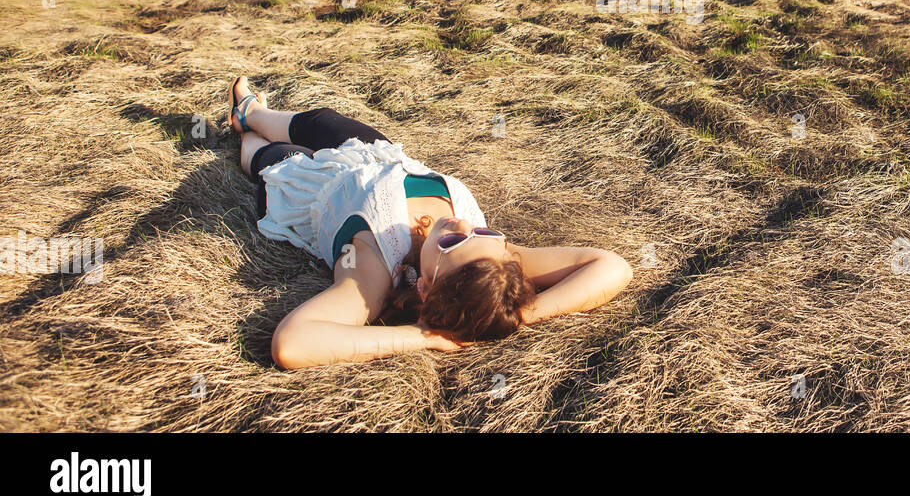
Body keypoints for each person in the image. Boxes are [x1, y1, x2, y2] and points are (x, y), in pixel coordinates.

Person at [227, 76, 633, 369]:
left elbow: (292, 345)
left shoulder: (372, 269)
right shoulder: (494, 262)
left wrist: (423, 337)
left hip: (308, 184)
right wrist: (521, 313)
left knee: (263, 153)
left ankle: (244, 130)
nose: (462, 225)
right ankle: (251, 111)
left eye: (453, 242)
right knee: (319, 119)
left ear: (423, 284)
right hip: (375, 155)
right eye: (483, 231)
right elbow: (614, 266)